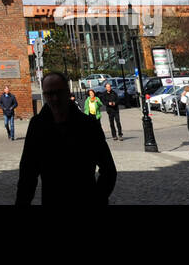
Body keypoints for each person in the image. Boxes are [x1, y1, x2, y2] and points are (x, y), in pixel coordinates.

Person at [16, 71, 117, 205]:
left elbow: (108, 169)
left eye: (59, 92)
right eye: (50, 94)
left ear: (68, 92)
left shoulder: (88, 125)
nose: (55, 98)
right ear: (45, 95)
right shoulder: (37, 126)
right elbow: (28, 172)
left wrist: (97, 198)